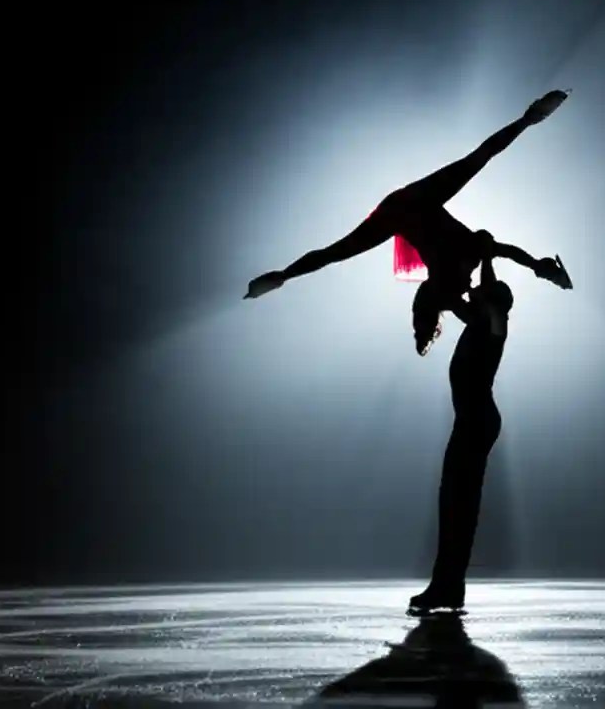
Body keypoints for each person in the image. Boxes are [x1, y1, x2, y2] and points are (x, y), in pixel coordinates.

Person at [245, 91, 573, 354]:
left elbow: (469, 304)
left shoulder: (456, 275)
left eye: (468, 290)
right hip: (416, 204)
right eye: (473, 289)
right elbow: (512, 256)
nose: (470, 287)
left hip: (401, 212)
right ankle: (529, 118)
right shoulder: (473, 255)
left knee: (477, 159)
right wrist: (542, 269)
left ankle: (529, 118)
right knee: (478, 159)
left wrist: (284, 275)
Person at [409, 236, 515, 614]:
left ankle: (446, 587)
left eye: (480, 296)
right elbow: (472, 295)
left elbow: (486, 303)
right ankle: (448, 587)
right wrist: (485, 257)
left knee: (457, 503)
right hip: (472, 421)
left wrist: (468, 281)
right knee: (455, 503)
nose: (470, 295)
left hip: (477, 421)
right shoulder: (477, 322)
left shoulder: (492, 328)